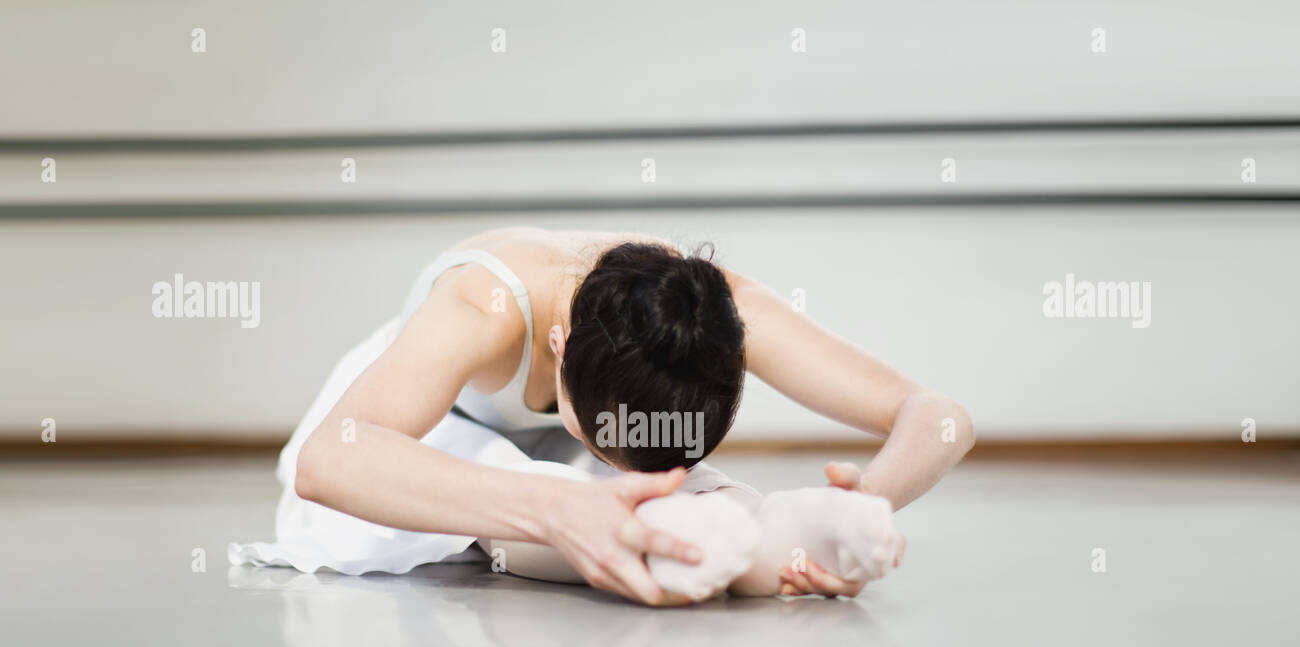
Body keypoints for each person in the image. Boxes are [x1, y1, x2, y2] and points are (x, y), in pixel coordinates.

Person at [230, 226, 974, 605]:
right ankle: (677, 538)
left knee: (704, 494)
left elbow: (938, 415)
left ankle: (772, 528)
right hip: (422, 426)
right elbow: (331, 459)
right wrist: (554, 508)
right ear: (557, 351)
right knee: (501, 490)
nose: (640, 468)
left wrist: (872, 497)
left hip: (569, 440)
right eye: (625, 447)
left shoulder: (712, 312)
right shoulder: (479, 308)